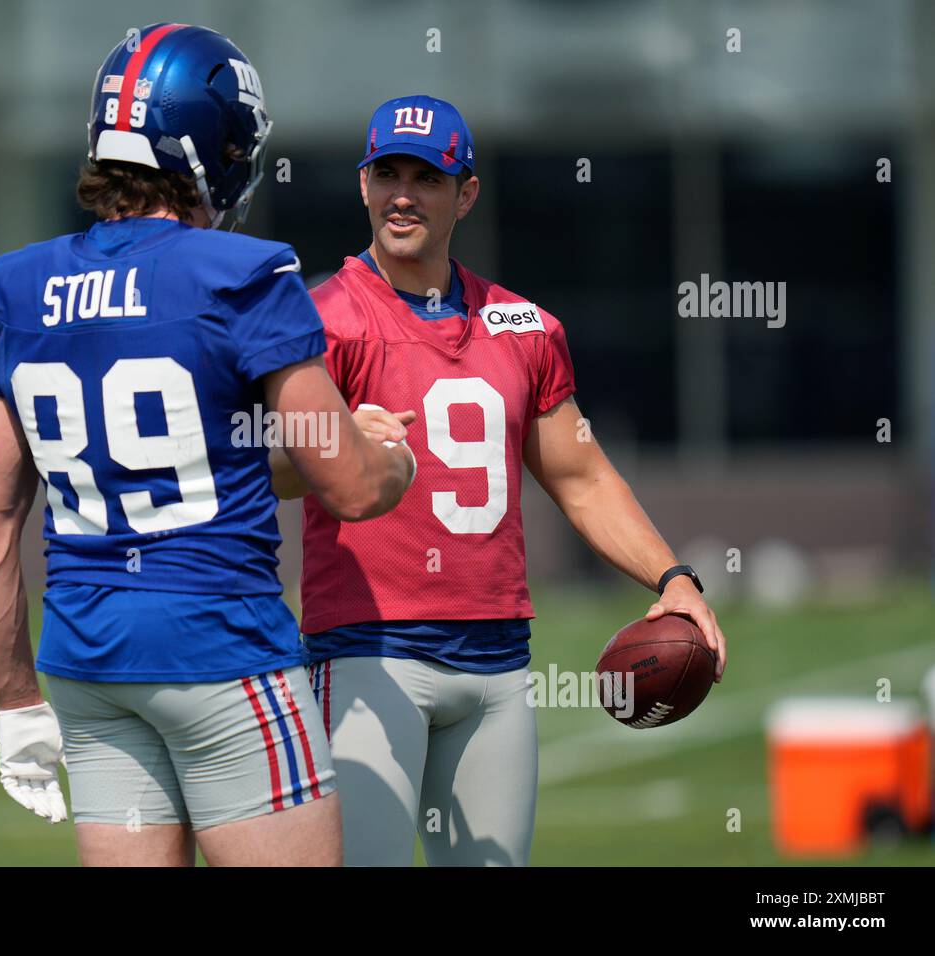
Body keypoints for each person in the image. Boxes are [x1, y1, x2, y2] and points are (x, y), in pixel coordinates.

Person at [0, 25, 414, 867]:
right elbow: (346, 483)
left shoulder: (14, 290)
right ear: (212, 147)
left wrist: (16, 699)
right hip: (222, 653)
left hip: (89, 669)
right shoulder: (241, 273)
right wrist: (389, 457)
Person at [271, 94, 728, 866]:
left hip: (498, 668)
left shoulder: (523, 325)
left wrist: (675, 578)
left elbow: (580, 475)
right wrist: (333, 446)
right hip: (367, 656)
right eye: (388, 173)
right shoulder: (325, 317)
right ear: (363, 185)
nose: (404, 194)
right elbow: (264, 468)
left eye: (428, 176)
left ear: (467, 192)